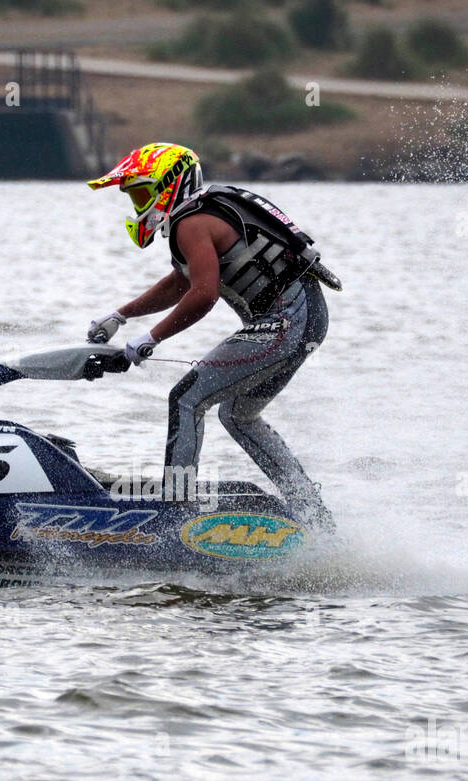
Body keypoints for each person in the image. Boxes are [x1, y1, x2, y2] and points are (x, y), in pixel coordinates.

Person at [87, 142, 341, 531]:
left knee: (186, 398)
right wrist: (122, 314)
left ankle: (176, 513)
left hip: (288, 319)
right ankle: (314, 514)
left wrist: (150, 338)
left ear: (169, 185)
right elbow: (181, 282)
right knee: (238, 415)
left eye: (140, 193)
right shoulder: (200, 214)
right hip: (305, 319)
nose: (137, 205)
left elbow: (203, 295)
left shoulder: (190, 222)